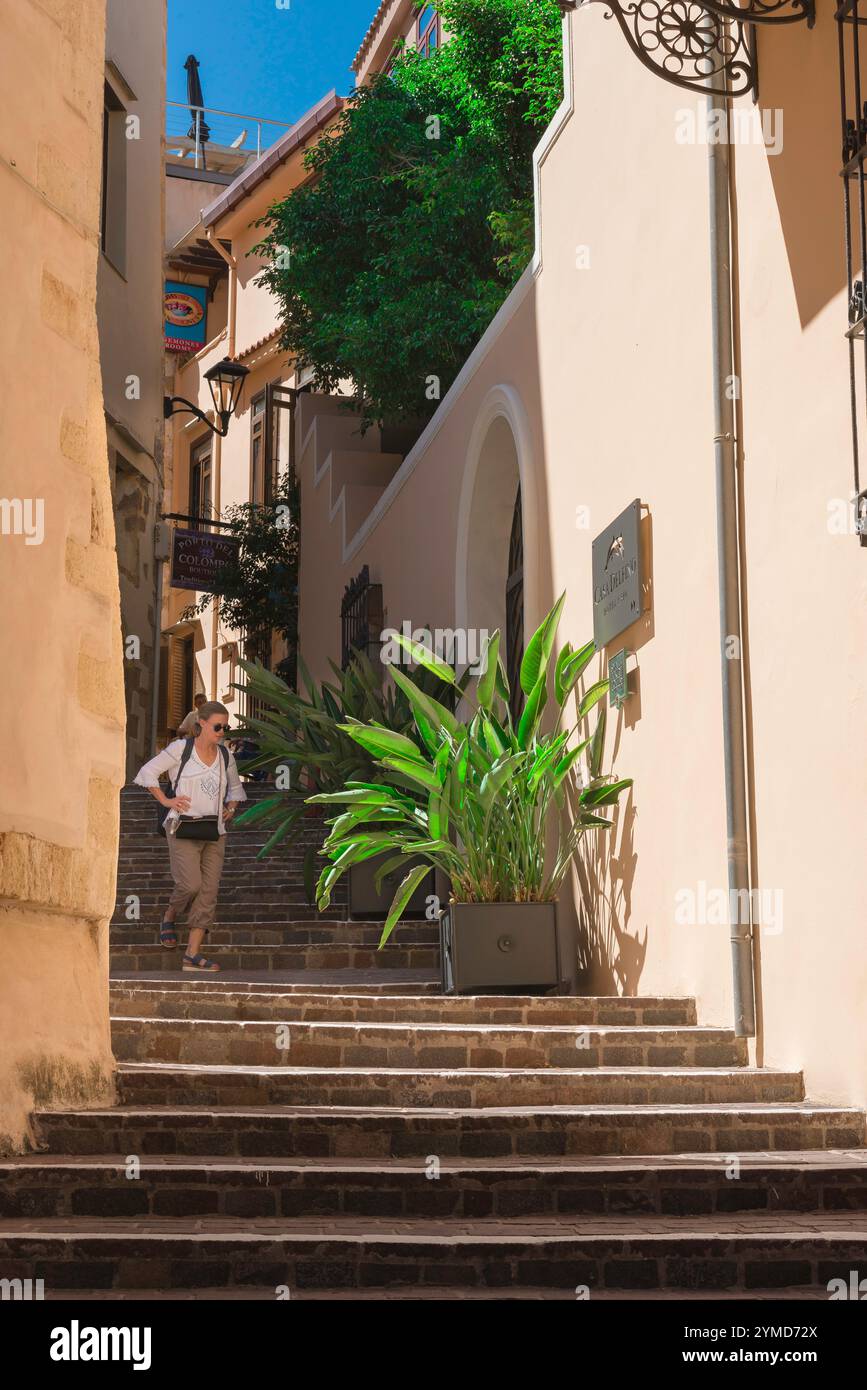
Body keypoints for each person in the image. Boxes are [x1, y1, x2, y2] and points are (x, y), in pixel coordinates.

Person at [133, 701, 247, 972]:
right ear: (202, 724)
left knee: (208, 892)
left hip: (214, 831)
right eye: (218, 726)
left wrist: (230, 807)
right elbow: (147, 772)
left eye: (226, 727)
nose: (222, 731)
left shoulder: (225, 756)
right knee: (190, 885)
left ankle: (192, 955)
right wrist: (167, 800)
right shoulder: (180, 750)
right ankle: (170, 914)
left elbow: (235, 788)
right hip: (182, 828)